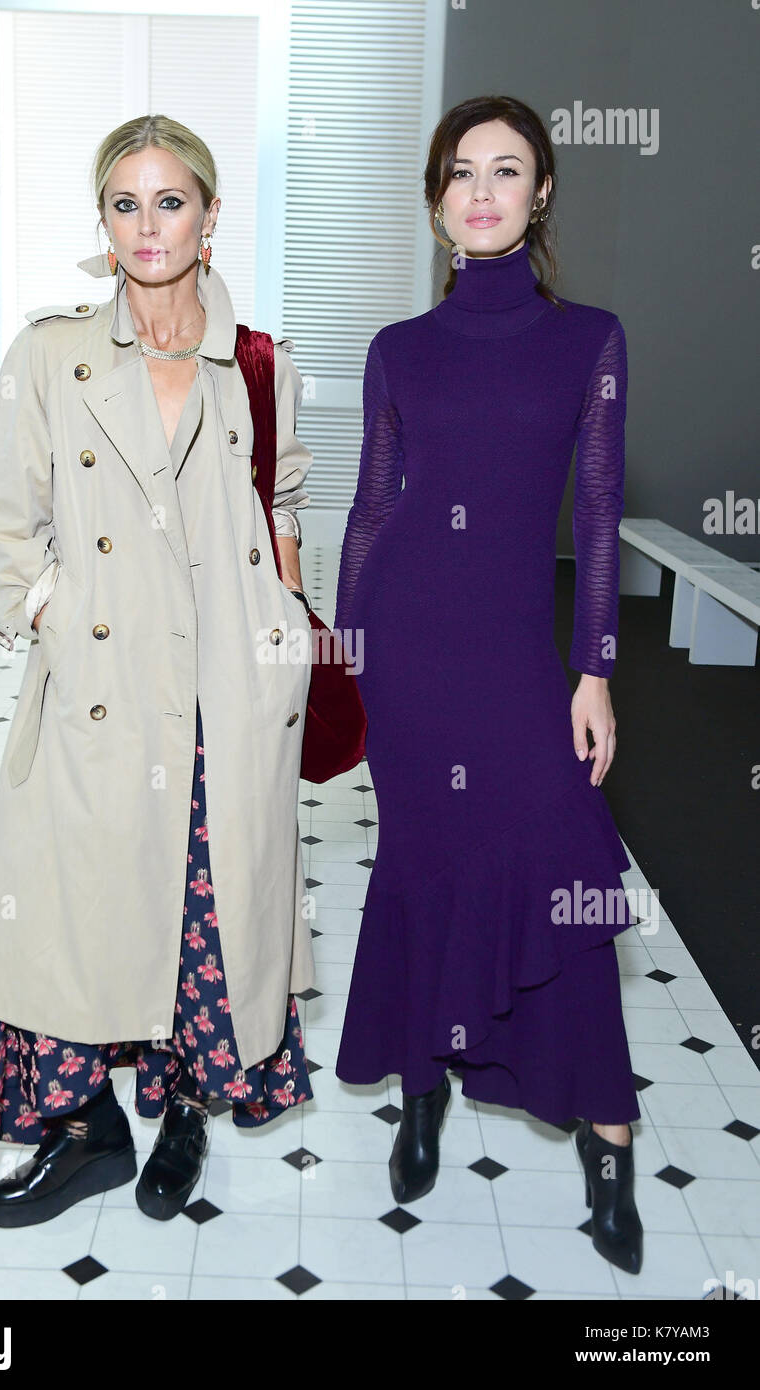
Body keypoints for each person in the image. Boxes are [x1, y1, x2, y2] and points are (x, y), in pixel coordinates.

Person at [0, 115, 317, 1226]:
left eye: (170, 201)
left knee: (207, 903)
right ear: (101, 224)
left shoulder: (260, 360)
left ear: (209, 215)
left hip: (225, 694)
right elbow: (7, 519)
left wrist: (287, 622)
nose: (147, 226)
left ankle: (188, 1108)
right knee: (69, 905)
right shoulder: (50, 354)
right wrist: (54, 611)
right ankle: (84, 1124)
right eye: (124, 203)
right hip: (102, 689)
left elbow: (284, 496)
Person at [333, 96, 643, 1275]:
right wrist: (348, 667)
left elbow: (603, 516)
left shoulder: (592, 339)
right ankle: (424, 1090)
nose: (482, 191)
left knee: (566, 879)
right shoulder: (398, 349)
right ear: (436, 197)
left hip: (520, 664)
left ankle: (608, 1146)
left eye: (507, 171)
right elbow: (371, 513)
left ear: (542, 191)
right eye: (461, 172)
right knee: (421, 870)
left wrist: (596, 671)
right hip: (410, 658)